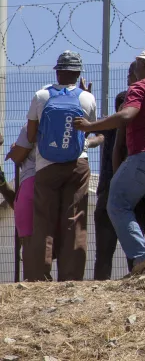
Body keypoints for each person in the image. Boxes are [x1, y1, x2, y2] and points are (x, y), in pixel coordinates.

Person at [76, 48, 145, 274]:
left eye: (138, 63)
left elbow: (127, 115)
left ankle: (143, 255)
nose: (135, 67)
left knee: (116, 203)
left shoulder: (140, 87)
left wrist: (90, 126)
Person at [24, 50, 97, 281]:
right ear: (78, 73)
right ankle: (71, 278)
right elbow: (88, 130)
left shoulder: (41, 96)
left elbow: (31, 133)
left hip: (46, 165)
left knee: (43, 220)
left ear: (57, 71)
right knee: (74, 219)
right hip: (77, 164)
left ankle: (38, 277)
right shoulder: (87, 98)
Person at [94, 63, 135, 280]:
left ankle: (101, 283)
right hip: (125, 194)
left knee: (105, 251)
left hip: (110, 193)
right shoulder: (134, 128)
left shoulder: (111, 127)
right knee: (126, 247)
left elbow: (92, 125)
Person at [6, 126, 37, 267]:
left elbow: (18, 157)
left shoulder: (30, 128)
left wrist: (16, 151)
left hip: (31, 182)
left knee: (29, 236)